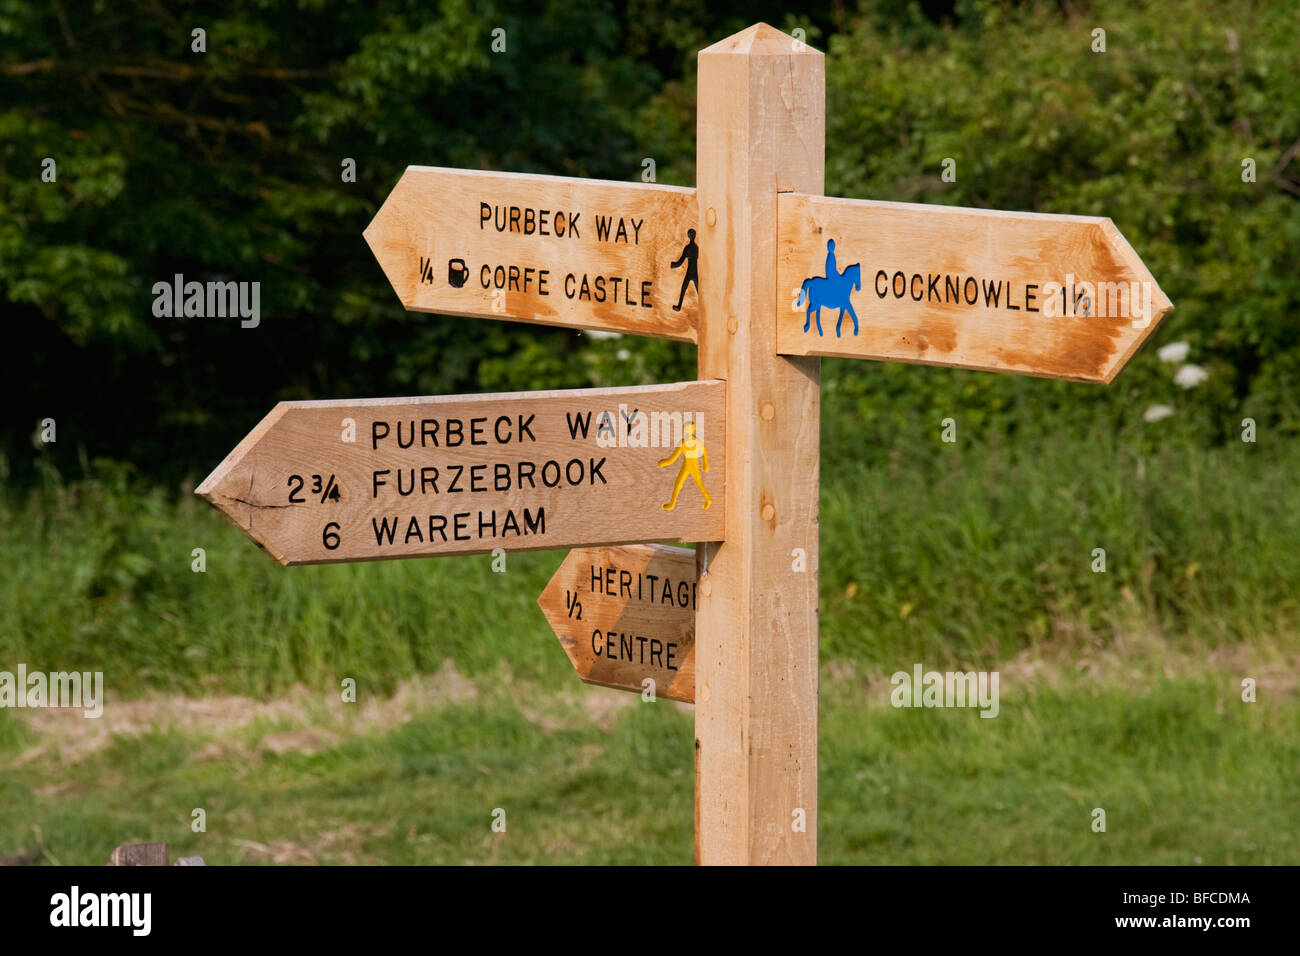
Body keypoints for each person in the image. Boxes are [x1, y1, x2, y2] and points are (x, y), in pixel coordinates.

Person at [657, 422, 711, 510]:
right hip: (687, 467)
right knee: (679, 484)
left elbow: (704, 452)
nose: (687, 430)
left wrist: (706, 464)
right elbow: (672, 459)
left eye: (687, 429)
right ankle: (672, 504)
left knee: (696, 484)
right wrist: (664, 463)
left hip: (691, 467)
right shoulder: (683, 443)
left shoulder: (692, 442)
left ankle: (708, 499)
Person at [671, 229, 699, 312]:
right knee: (698, 290)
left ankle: (679, 306)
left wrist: (673, 265)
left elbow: (680, 262)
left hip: (690, 272)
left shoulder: (688, 248)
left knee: (683, 288)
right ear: (694, 236)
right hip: (695, 272)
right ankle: (705, 308)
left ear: (688, 236)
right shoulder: (696, 247)